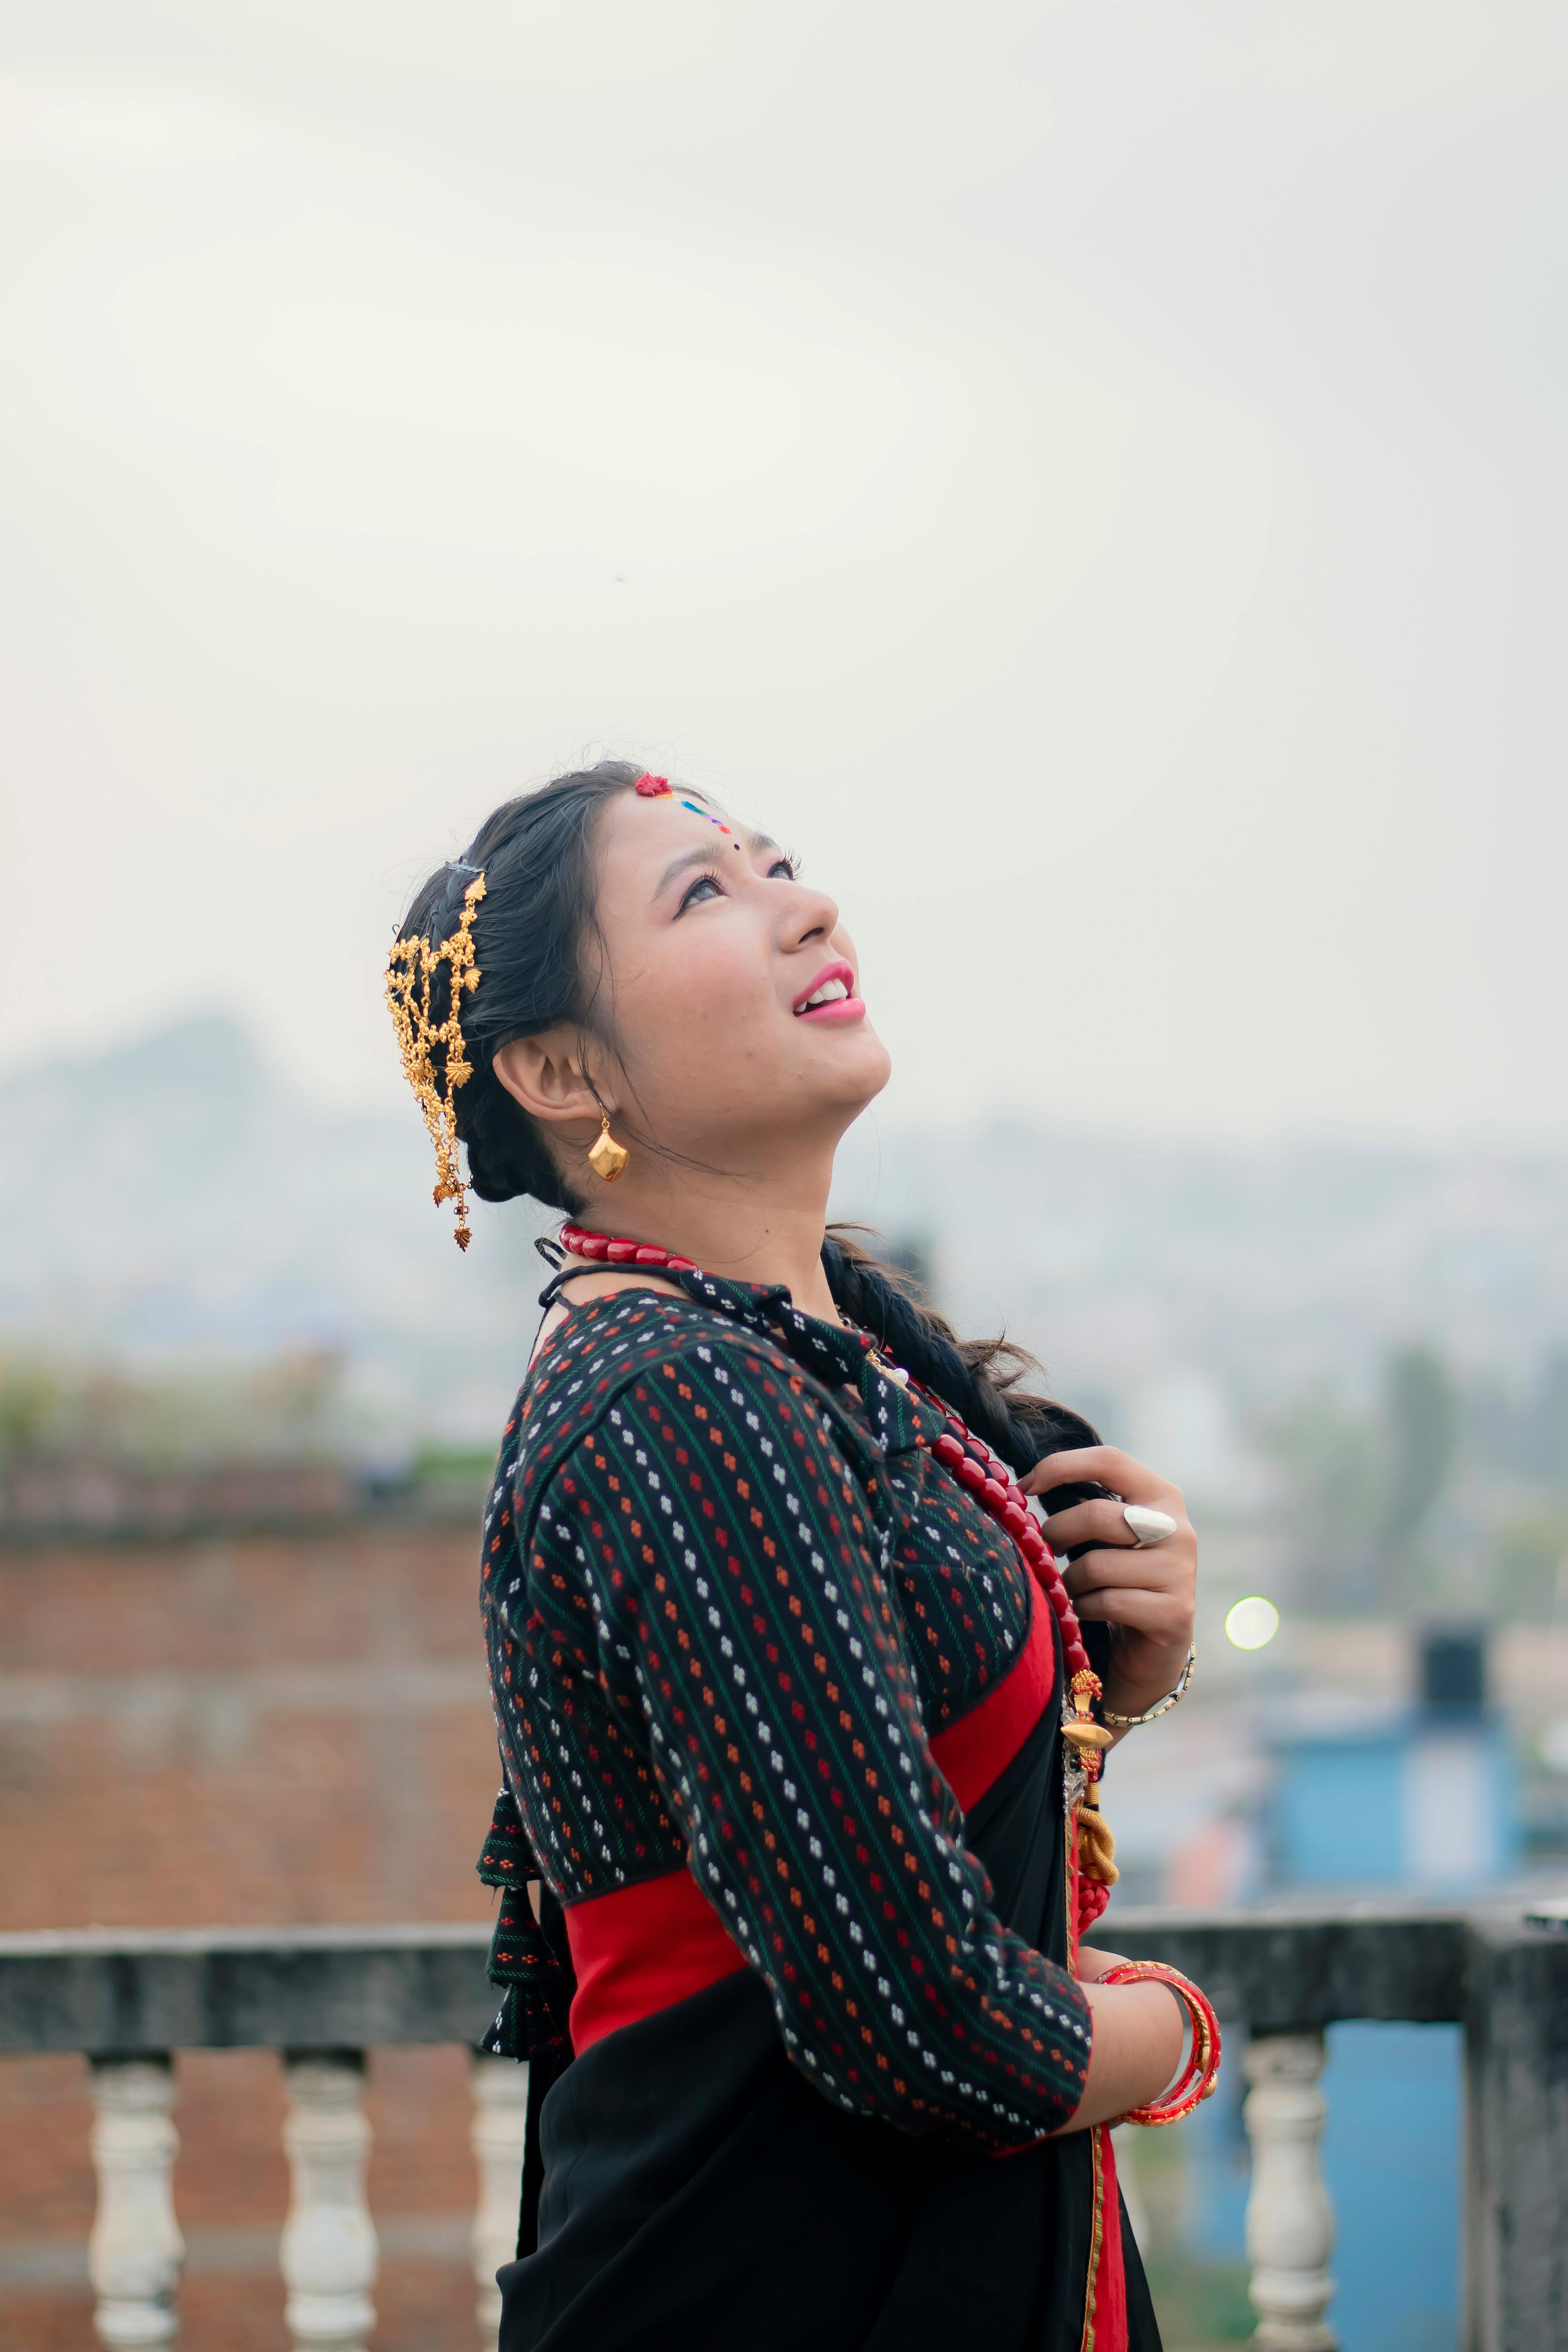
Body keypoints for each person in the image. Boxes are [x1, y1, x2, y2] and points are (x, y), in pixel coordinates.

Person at [387, 761, 1204, 2352]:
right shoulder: (680, 1397)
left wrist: (1122, 1671)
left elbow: (875, 1808)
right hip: (770, 2288)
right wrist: (1175, 2027)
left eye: (778, 865)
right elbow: (923, 2031)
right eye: (704, 894)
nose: (804, 906)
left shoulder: (814, 1349)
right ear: (561, 1068)